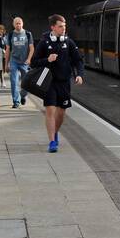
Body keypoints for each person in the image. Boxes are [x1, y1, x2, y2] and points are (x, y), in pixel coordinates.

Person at [29, 13, 84, 152]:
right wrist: (47, 59)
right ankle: (52, 142)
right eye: (60, 26)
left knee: (61, 112)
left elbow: (78, 60)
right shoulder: (44, 42)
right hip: (49, 81)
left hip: (64, 82)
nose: (63, 29)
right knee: (50, 110)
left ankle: (55, 132)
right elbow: (33, 62)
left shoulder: (68, 42)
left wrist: (79, 75)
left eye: (64, 26)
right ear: (52, 27)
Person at [6, 16, 34, 107]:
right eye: (16, 23)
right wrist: (6, 64)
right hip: (14, 61)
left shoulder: (28, 34)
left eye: (19, 23)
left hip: (24, 62)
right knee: (14, 81)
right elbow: (7, 50)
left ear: (22, 24)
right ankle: (16, 101)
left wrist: (29, 59)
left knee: (26, 82)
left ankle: (22, 95)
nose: (18, 25)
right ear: (13, 25)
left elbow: (31, 48)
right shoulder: (10, 35)